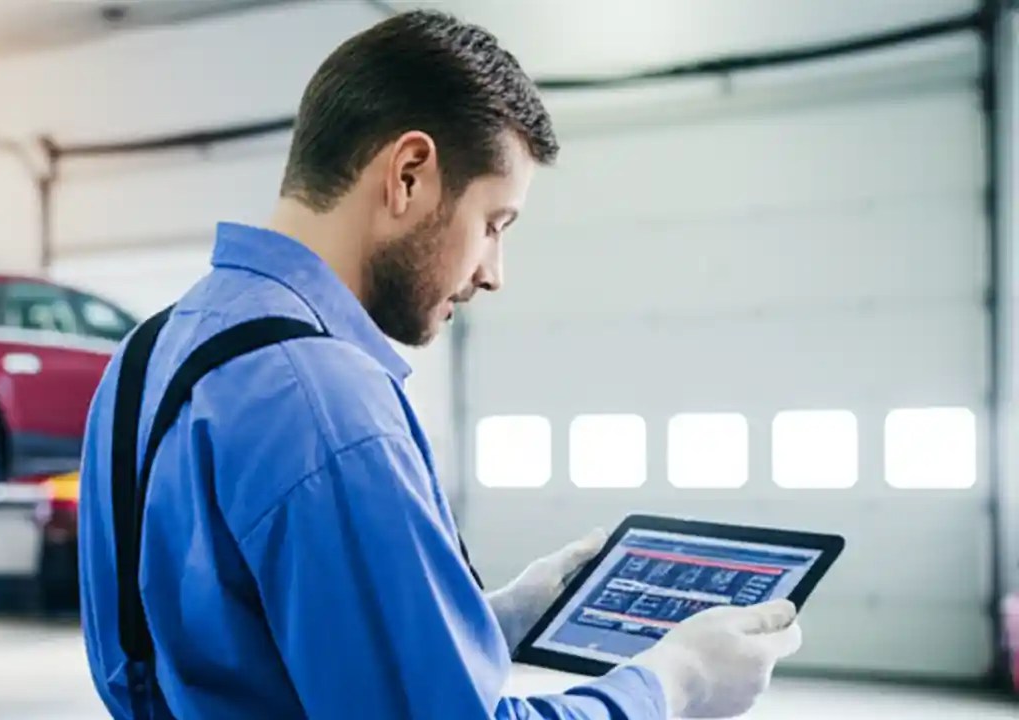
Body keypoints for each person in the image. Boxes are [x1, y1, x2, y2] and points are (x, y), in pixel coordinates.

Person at [78, 9, 803, 719]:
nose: (494, 273)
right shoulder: (327, 402)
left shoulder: (148, 357)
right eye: (493, 224)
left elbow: (260, 653)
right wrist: (674, 683)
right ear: (410, 174)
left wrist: (501, 615)